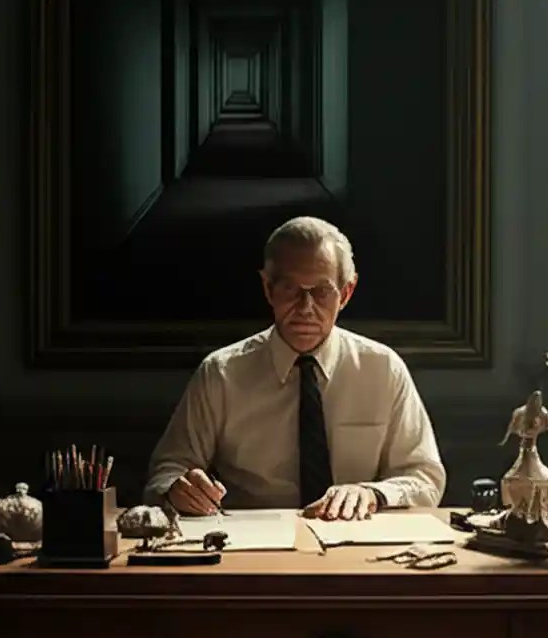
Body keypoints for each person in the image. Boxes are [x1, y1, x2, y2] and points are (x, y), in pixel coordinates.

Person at [145, 215, 446, 520]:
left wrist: (372, 493)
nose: (305, 308)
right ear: (268, 288)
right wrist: (177, 490)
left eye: (321, 291)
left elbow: (425, 478)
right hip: (252, 552)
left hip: (357, 545)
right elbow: (166, 472)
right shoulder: (221, 374)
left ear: (346, 293)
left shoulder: (383, 370)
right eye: (291, 289)